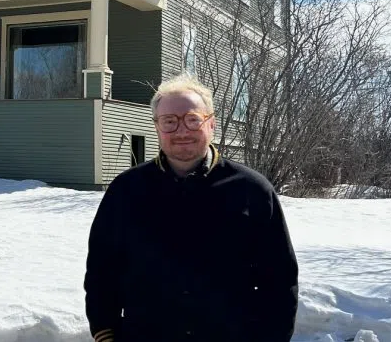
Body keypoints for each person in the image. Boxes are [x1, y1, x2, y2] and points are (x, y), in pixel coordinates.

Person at [84, 74, 299, 341]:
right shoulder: (125, 191)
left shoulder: (252, 190)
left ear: (212, 124)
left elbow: (280, 280)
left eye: (193, 119)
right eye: (170, 122)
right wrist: (106, 333)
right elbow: (101, 273)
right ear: (157, 127)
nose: (182, 131)